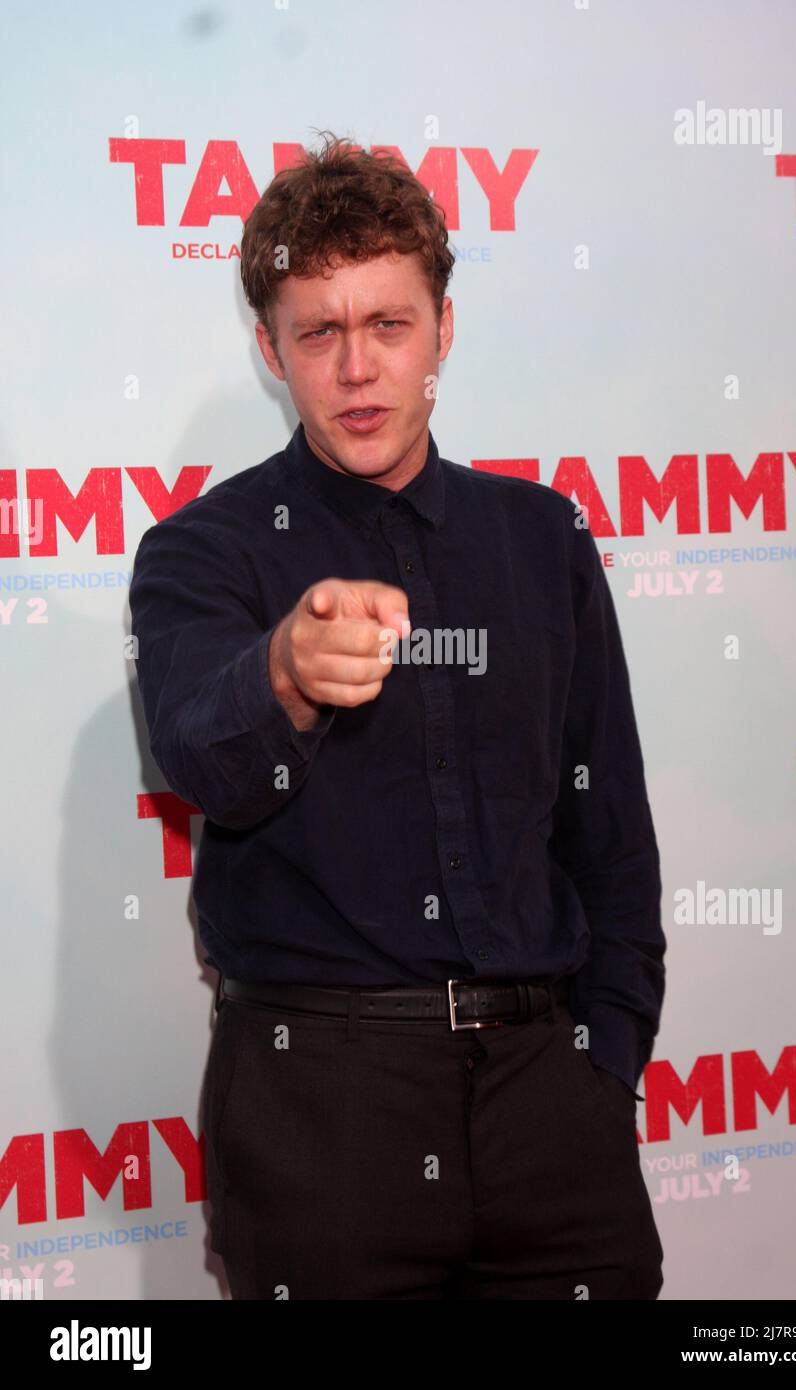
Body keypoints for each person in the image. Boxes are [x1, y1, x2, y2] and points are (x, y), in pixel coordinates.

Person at [129, 131, 666, 1301]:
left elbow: (608, 829)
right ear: (272, 349)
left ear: (444, 329)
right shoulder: (201, 554)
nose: (357, 368)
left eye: (389, 324)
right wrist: (282, 669)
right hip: (321, 1108)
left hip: (551, 1106)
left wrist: (604, 1058)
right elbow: (198, 760)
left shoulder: (541, 538)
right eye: (318, 331)